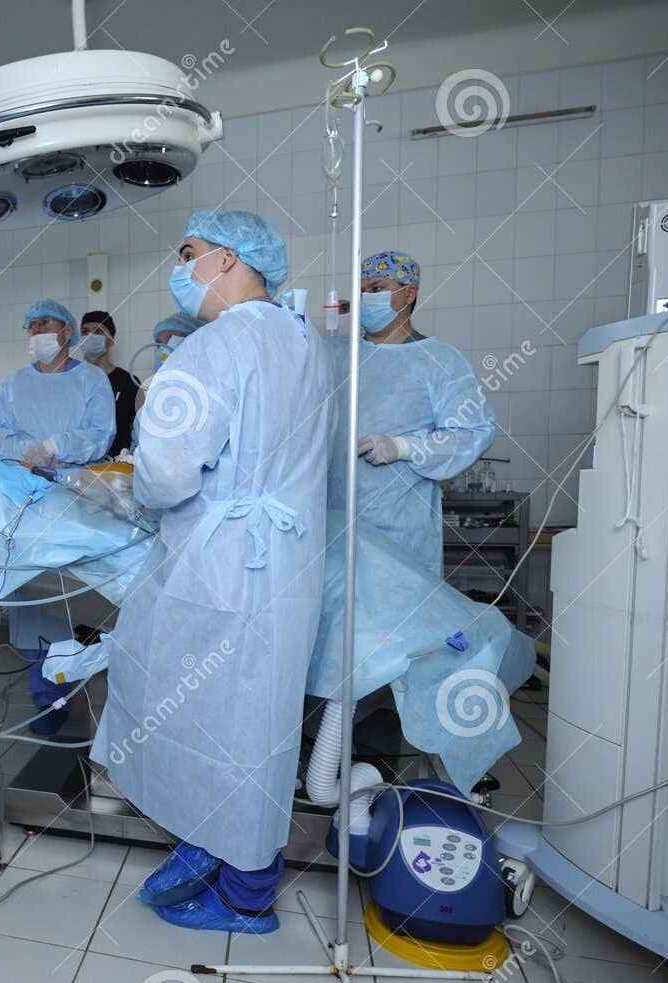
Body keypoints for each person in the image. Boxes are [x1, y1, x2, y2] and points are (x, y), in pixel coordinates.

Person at [92, 210, 333, 934]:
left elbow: (165, 474)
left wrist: (130, 485)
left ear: (227, 259)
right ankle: (229, 855)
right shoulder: (303, 341)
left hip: (222, 563)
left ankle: (242, 889)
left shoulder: (212, 348)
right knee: (257, 718)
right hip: (289, 561)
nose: (182, 266)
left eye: (188, 253)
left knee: (195, 707)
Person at [0, 298, 116, 734]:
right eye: (31, 324)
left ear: (66, 333)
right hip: (24, 499)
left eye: (46, 323)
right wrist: (26, 451)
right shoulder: (12, 384)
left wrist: (57, 447)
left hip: (78, 500)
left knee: (78, 595)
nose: (37, 331)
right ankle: (47, 700)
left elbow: (101, 434)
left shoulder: (92, 380)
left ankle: (92, 683)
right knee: (34, 601)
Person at [328, 251, 494, 575]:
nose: (365, 297)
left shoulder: (440, 361)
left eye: (376, 288)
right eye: (361, 290)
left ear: (410, 293)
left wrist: (403, 447)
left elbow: (473, 433)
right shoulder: (333, 355)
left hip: (400, 533)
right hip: (331, 528)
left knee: (401, 621)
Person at [77, 309, 139, 456]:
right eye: (85, 332)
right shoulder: (70, 381)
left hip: (115, 467)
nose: (90, 336)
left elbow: (137, 430)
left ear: (111, 340)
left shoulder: (128, 381)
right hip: (75, 463)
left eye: (98, 331)